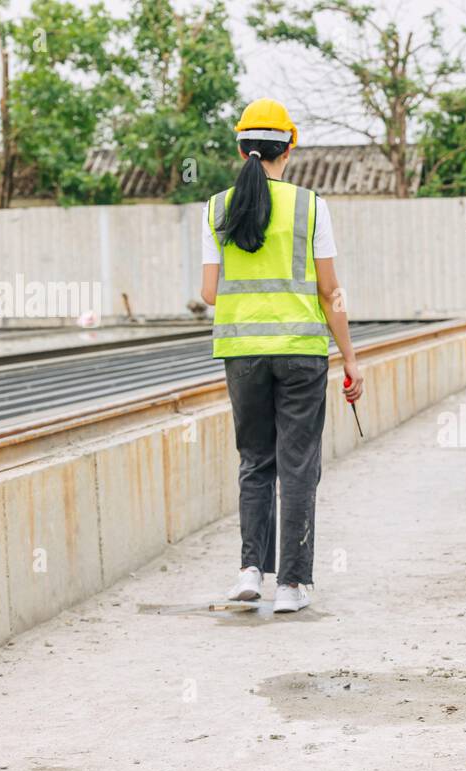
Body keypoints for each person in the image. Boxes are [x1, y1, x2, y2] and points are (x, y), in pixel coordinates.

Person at [200, 98, 363, 613]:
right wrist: (351, 358)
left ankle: (250, 570)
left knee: (255, 462)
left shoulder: (217, 207)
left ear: (240, 146)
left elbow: (209, 292)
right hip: (301, 354)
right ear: (289, 147)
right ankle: (291, 586)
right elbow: (329, 290)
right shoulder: (311, 205)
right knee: (297, 466)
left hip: (242, 351)